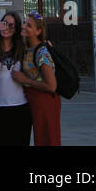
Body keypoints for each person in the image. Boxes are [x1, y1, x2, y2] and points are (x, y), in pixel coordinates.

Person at [11, 13, 60, 146]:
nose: (24, 26)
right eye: (25, 23)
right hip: (33, 100)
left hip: (44, 100)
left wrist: (25, 80)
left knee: (47, 139)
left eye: (29, 25)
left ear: (38, 31)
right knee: (40, 138)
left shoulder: (41, 52)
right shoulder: (27, 48)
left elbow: (51, 86)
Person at [0, 11, 31, 147]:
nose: (7, 28)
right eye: (4, 24)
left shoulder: (24, 49)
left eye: (11, 26)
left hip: (20, 108)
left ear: (17, 28)